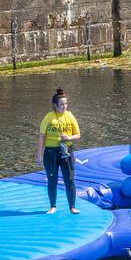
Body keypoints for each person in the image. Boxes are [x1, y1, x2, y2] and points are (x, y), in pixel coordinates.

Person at [37, 87, 81, 215]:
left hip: (66, 150)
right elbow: (41, 137)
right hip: (51, 152)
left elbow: (78, 134)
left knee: (70, 179)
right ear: (55, 105)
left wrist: (68, 137)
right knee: (52, 179)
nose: (64, 106)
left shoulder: (70, 115)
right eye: (61, 104)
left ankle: (72, 206)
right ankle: (53, 206)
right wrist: (39, 155)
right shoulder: (48, 117)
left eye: (66, 104)